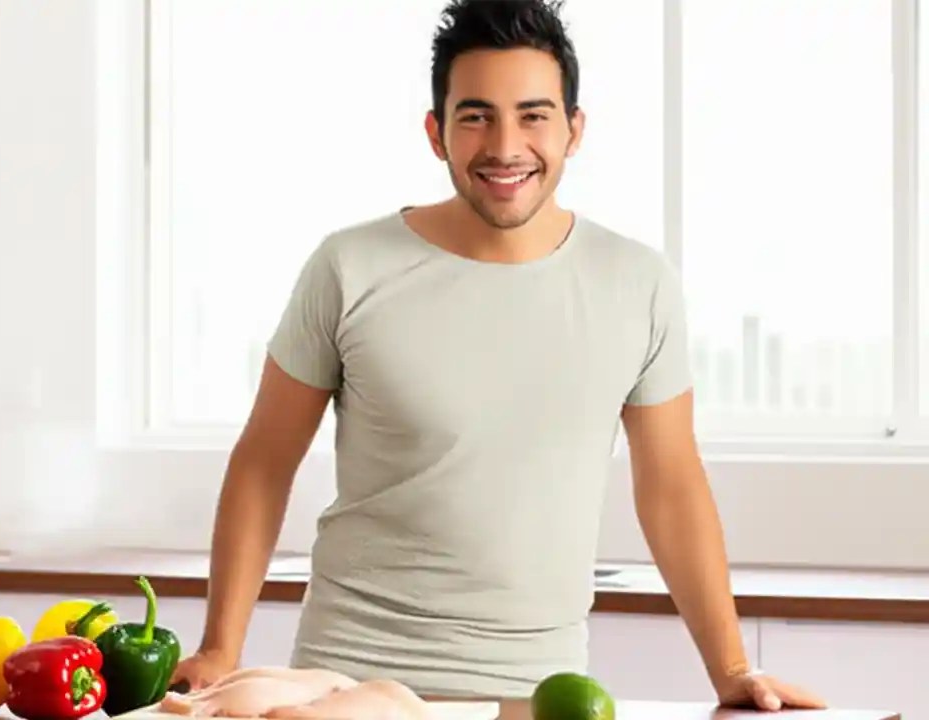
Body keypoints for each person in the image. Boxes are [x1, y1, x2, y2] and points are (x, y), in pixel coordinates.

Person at [169, 0, 826, 711]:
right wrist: (219, 648)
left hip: (537, 690)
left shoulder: (637, 284)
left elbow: (671, 485)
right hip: (346, 679)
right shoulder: (348, 267)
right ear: (436, 132)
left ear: (574, 130)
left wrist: (731, 668)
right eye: (476, 115)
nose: (506, 146)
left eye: (534, 115)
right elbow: (265, 460)